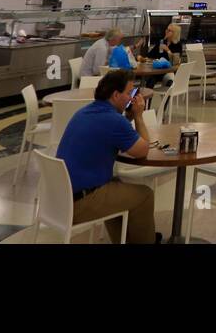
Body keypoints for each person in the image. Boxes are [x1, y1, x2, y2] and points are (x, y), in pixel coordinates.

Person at [54, 69, 158, 244]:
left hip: (59, 198)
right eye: (129, 93)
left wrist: (128, 117)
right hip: (80, 203)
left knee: (115, 185)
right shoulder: (114, 121)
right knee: (145, 196)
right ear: (116, 95)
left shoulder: (84, 112)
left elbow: (112, 135)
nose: (132, 98)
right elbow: (143, 150)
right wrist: (139, 117)